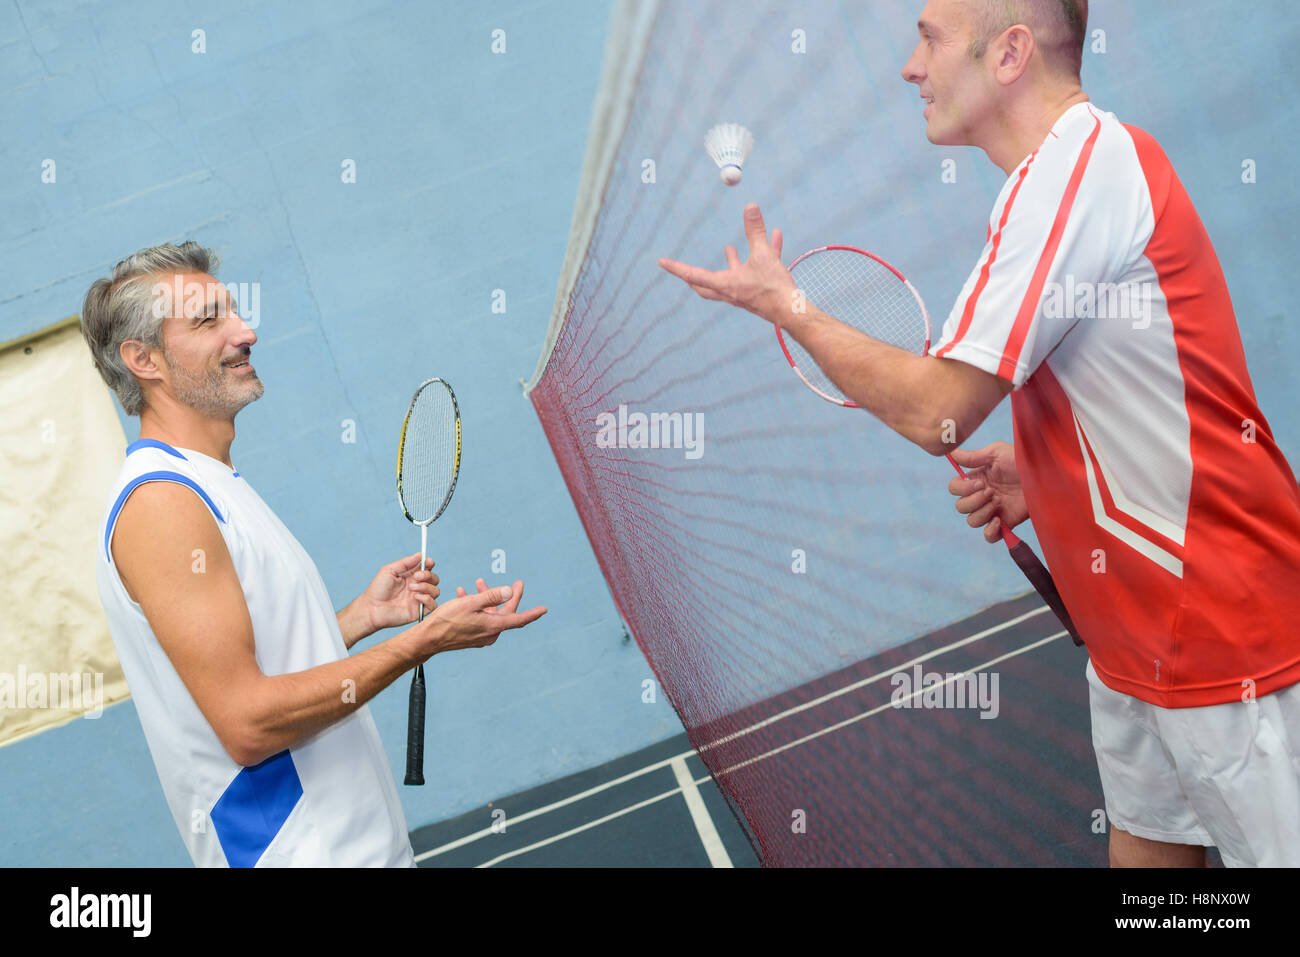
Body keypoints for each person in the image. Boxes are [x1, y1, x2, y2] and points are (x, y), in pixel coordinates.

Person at [658, 0, 1300, 867]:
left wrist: (788, 307)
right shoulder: (1043, 189)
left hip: (1228, 638)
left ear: (1009, 55)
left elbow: (939, 412)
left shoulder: (1079, 176)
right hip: (1132, 637)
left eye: (927, 39)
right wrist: (1045, 477)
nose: (908, 68)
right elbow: (1140, 383)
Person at [80, 242, 546, 867]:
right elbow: (247, 723)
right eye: (209, 319)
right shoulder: (163, 505)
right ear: (144, 360)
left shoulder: (213, 482)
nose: (245, 331)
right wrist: (422, 641)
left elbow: (252, 661)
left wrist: (359, 619)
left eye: (235, 311)